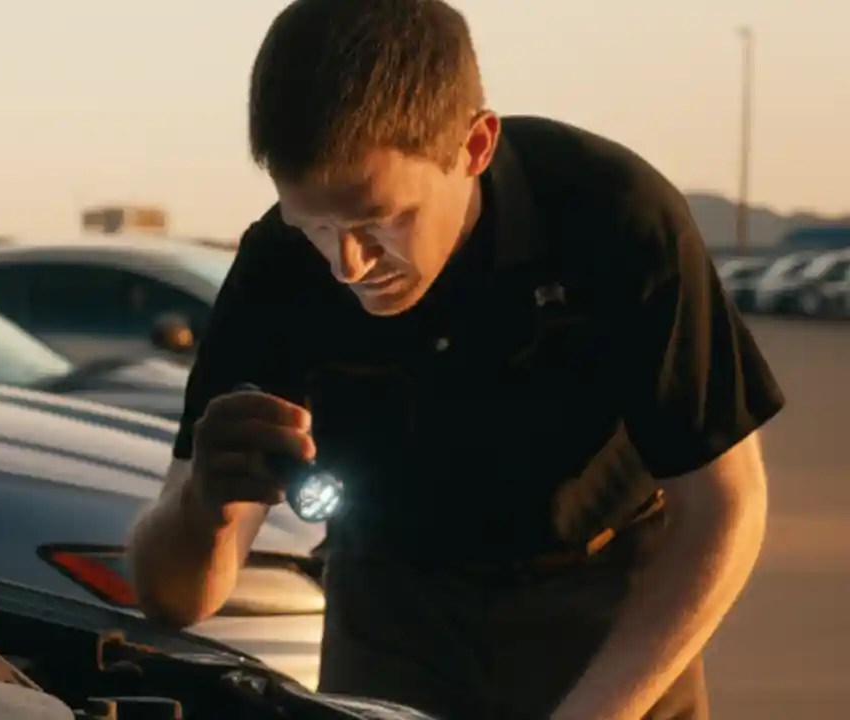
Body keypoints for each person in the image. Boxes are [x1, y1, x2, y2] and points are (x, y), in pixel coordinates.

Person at [125, 0, 784, 717]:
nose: (347, 264)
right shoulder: (277, 270)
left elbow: (725, 505)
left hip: (605, 605)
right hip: (390, 611)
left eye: (382, 221)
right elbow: (179, 599)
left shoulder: (612, 216)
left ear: (475, 147)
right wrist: (203, 511)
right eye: (314, 224)